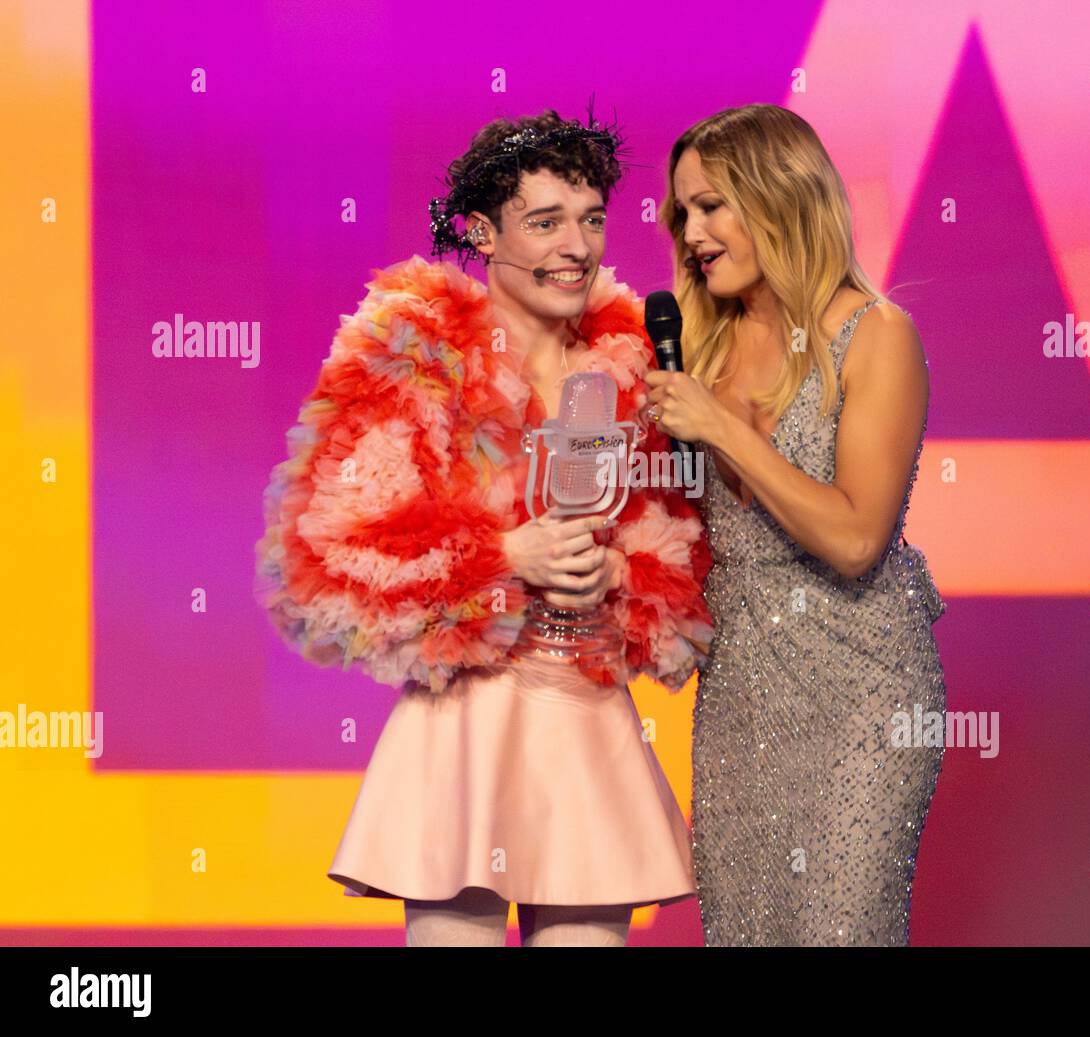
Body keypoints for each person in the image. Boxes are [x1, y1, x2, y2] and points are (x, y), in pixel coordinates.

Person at [254, 108, 713, 947]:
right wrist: (505, 553)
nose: (576, 246)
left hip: (585, 716)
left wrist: (620, 576)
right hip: (461, 723)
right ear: (481, 231)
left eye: (591, 220)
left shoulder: (640, 365)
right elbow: (325, 555)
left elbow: (687, 549)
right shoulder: (413, 356)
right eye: (545, 222)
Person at [644, 104, 948, 946]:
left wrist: (723, 428)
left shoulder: (875, 335)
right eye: (683, 213)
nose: (692, 232)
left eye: (712, 206)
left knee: (841, 929)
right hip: (741, 696)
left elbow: (856, 539)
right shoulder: (695, 343)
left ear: (779, 196)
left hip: (864, 693)